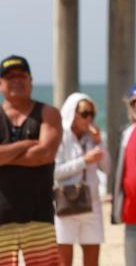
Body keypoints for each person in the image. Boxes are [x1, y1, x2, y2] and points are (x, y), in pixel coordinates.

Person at [0, 55, 63, 266]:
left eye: (21, 75)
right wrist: (25, 145)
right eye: (9, 77)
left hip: (39, 215)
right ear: (1, 83)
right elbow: (36, 153)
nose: (16, 80)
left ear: (31, 80)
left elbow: (45, 154)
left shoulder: (48, 114)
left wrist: (4, 156)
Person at [53, 92, 109, 266]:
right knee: (64, 261)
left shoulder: (92, 139)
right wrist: (84, 161)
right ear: (73, 114)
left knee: (92, 260)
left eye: (92, 114)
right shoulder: (60, 137)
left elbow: (107, 169)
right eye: (84, 114)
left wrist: (100, 143)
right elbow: (54, 172)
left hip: (91, 205)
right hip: (65, 204)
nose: (89, 118)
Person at [110, 85, 136, 266]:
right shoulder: (127, 132)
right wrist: (117, 210)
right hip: (131, 216)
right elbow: (120, 174)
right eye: (134, 102)